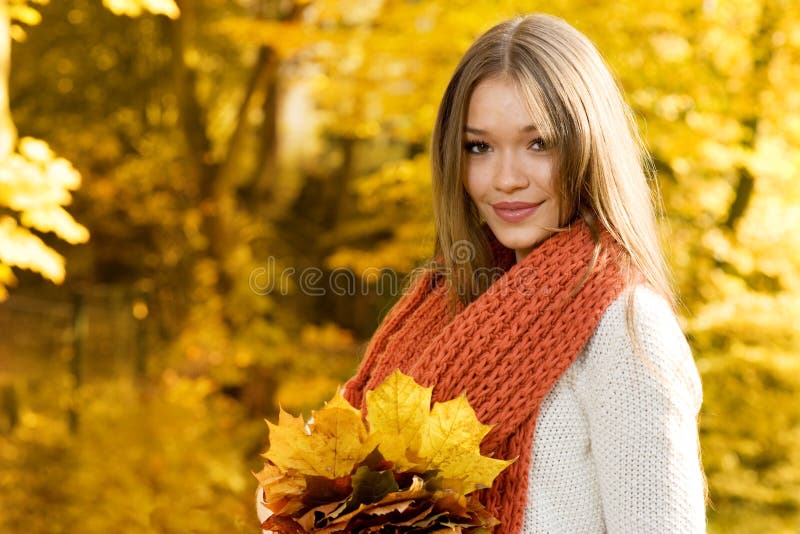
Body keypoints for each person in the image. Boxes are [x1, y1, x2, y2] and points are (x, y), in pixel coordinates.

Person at [258, 13, 708, 534]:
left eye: (538, 143)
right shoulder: (440, 307)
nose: (506, 179)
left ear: (587, 147)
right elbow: (295, 495)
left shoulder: (627, 330)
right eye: (480, 147)